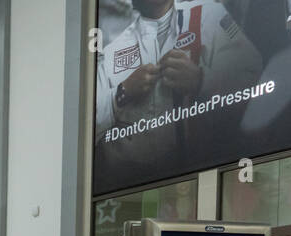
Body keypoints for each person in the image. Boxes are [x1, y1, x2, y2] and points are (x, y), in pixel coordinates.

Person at [95, 0, 262, 185]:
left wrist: (201, 80)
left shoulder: (207, 15)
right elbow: (86, 132)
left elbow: (255, 82)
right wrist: (123, 93)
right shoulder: (112, 52)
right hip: (132, 188)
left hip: (211, 176)